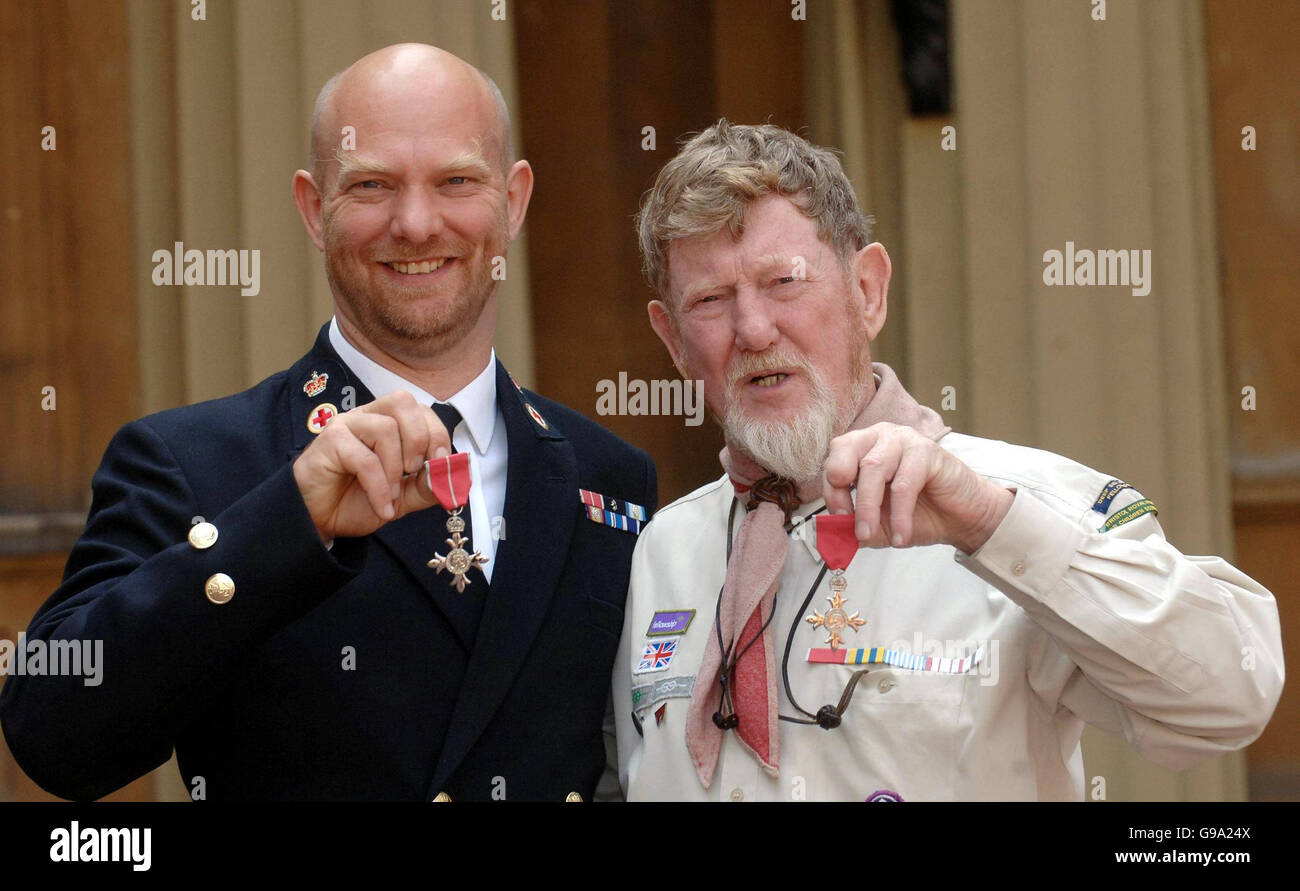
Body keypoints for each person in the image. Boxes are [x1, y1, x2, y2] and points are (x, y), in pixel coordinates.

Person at [0, 44, 656, 802]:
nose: (415, 223)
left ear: (514, 200)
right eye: (372, 185)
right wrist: (287, 523)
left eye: (456, 181)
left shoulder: (610, 477)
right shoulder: (193, 461)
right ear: (315, 209)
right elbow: (53, 733)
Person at [613, 120, 1283, 801]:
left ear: (868, 291)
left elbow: (1234, 697)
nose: (753, 329)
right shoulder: (662, 551)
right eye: (710, 300)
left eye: (784, 281)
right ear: (673, 342)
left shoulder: (1014, 502)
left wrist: (993, 527)